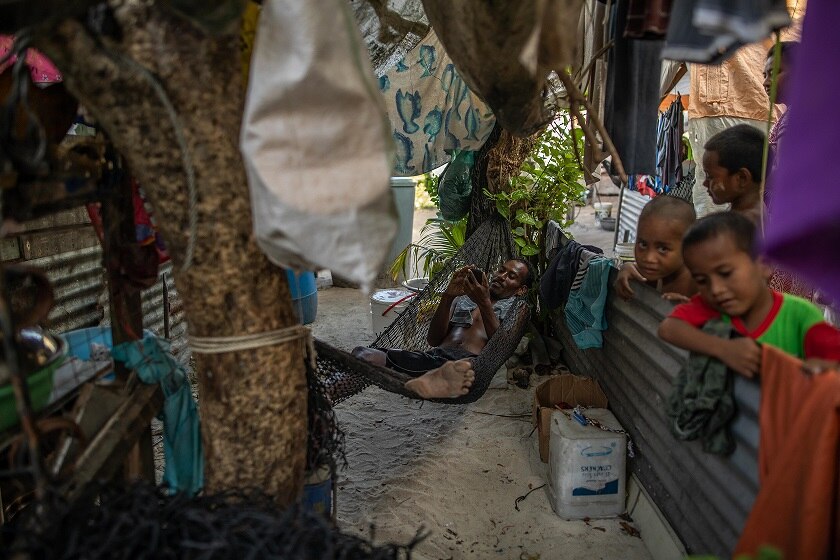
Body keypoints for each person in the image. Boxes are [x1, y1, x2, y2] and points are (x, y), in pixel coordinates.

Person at [658, 213, 840, 378]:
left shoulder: (799, 314)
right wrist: (724, 349)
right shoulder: (712, 306)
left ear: (764, 265)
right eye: (702, 280)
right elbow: (668, 328)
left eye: (726, 273)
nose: (716, 289)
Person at [351, 258, 532, 399]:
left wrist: (484, 302)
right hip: (434, 359)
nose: (501, 276)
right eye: (501, 270)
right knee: (362, 355)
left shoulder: (518, 308)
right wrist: (447, 297)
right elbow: (433, 340)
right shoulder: (463, 298)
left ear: (521, 290)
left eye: (511, 276)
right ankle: (329, 393)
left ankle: (433, 379)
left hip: (471, 367)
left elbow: (501, 349)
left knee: (460, 368)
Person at [614, 195, 697, 302]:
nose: (649, 258)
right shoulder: (656, 273)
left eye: (663, 249)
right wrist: (625, 268)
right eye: (643, 245)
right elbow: (632, 269)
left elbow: (724, 317)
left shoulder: (699, 284)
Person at [701, 125, 764, 225]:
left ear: (741, 178)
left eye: (710, 176)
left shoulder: (742, 226)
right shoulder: (754, 212)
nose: (704, 183)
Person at [763, 41, 798, 192]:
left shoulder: (794, 119)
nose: (765, 82)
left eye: (774, 73)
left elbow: (787, 173)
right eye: (765, 75)